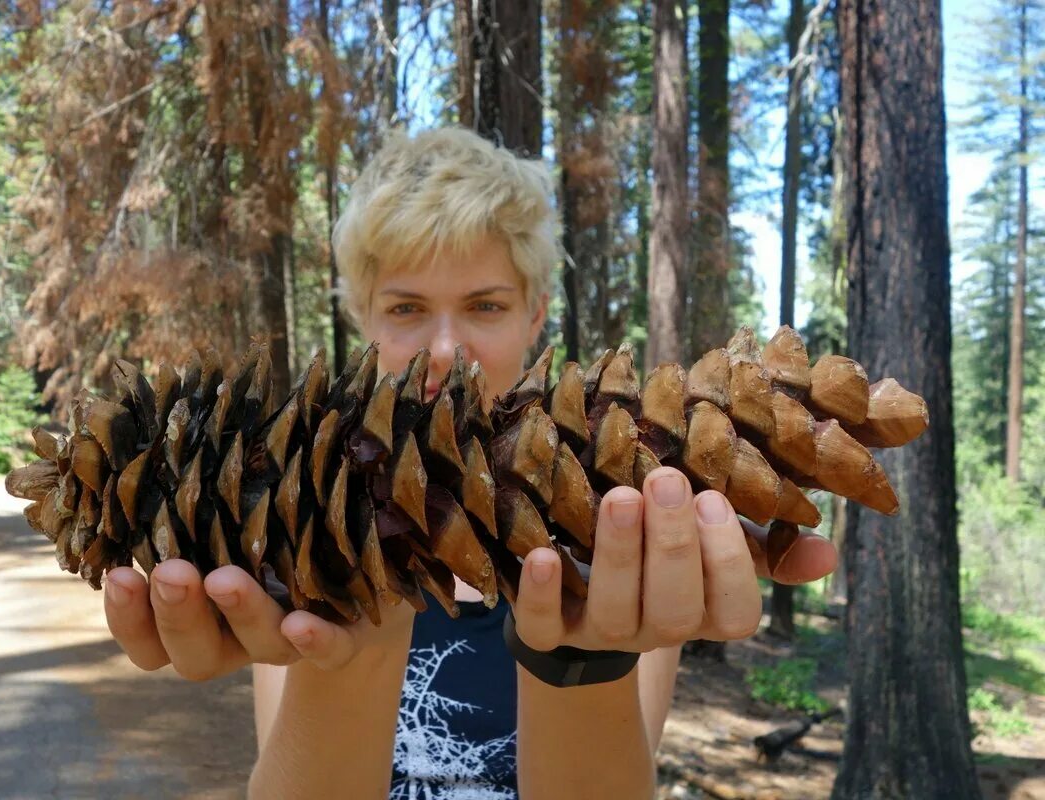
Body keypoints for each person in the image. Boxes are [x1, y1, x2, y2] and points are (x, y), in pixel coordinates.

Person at [101, 128, 838, 799]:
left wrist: (579, 661)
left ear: (535, 314)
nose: (446, 349)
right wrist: (353, 641)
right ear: (365, 317)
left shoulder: (618, 525)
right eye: (406, 308)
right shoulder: (305, 520)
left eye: (484, 306)